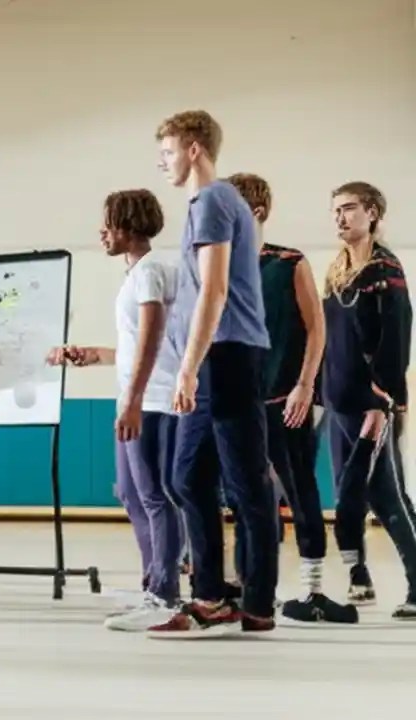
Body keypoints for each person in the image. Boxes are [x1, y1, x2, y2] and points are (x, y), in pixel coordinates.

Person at [145, 110, 279, 636]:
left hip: (225, 356)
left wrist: (188, 368)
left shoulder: (213, 200)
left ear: (194, 148)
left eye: (168, 151)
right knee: (188, 476)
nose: (163, 162)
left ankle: (256, 603)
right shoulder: (212, 203)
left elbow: (214, 290)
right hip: (218, 357)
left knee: (245, 483)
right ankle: (212, 595)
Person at [46, 190, 183, 630]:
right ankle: (153, 583)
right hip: (135, 396)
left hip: (153, 401)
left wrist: (135, 400)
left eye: (109, 223)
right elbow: (132, 347)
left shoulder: (150, 272)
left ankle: (165, 595)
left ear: (129, 226)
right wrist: (93, 354)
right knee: (129, 492)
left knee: (155, 496)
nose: (102, 232)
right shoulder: (136, 274)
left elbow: (153, 339)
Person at [223, 173, 357, 623]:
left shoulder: (288, 261)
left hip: (288, 397)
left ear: (255, 212)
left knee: (301, 491)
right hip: (241, 401)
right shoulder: (218, 266)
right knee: (246, 498)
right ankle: (250, 586)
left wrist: (305, 385)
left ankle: (313, 590)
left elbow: (317, 327)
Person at [319, 181, 416, 619]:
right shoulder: (338, 270)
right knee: (347, 495)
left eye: (351, 209)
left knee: (387, 497)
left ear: (373, 213)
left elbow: (396, 340)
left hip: (371, 408)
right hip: (337, 403)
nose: (341, 217)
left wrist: (382, 404)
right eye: (336, 210)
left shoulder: (386, 271)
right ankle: (359, 580)